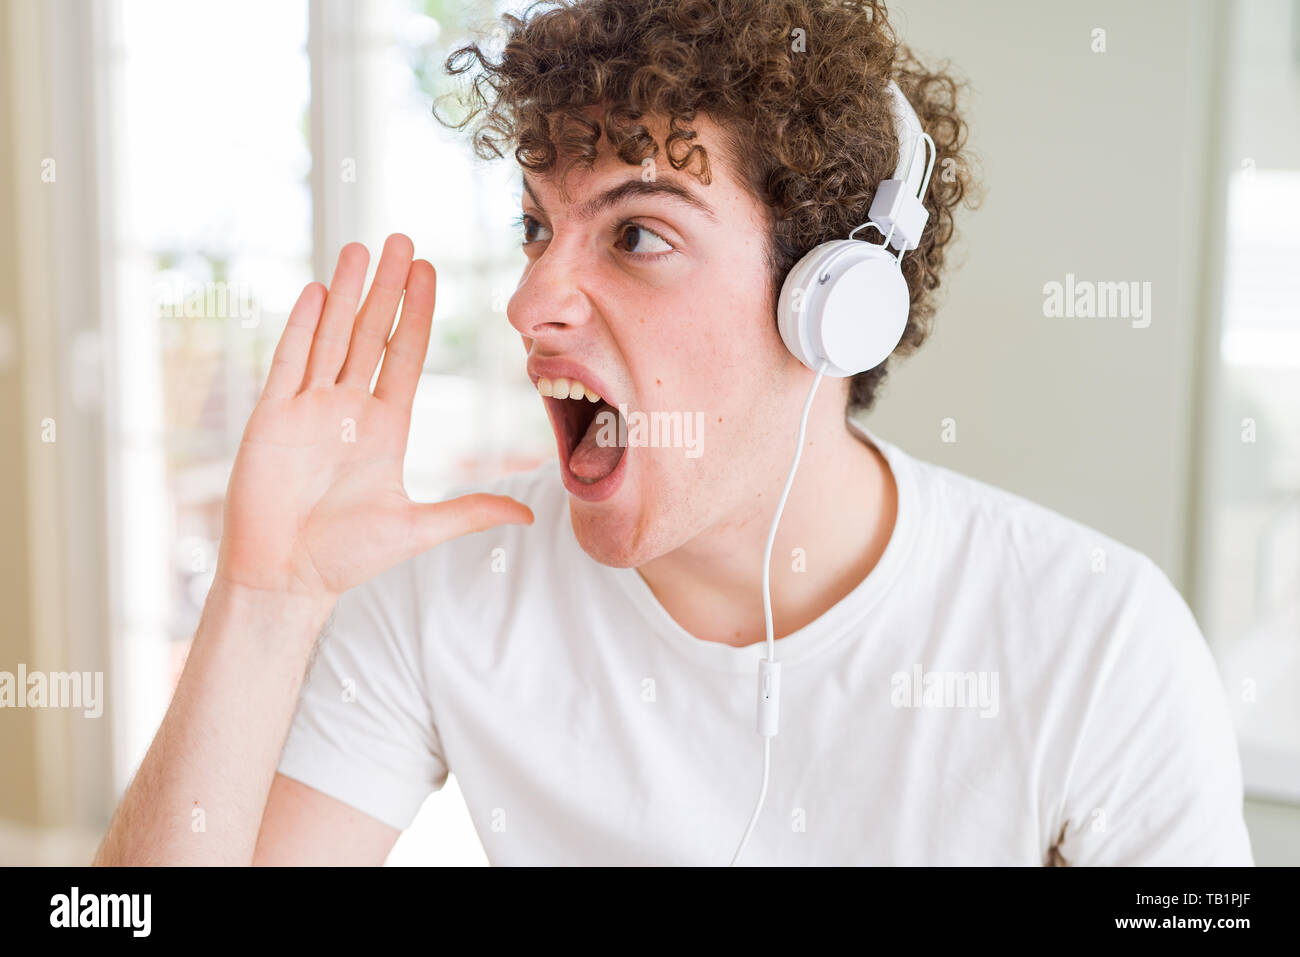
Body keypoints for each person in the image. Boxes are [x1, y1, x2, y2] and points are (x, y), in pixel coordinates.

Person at [94, 0, 1252, 866]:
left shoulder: (1095, 636)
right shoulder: (451, 585)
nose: (531, 300)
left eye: (637, 234)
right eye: (536, 227)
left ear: (832, 303)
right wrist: (267, 598)